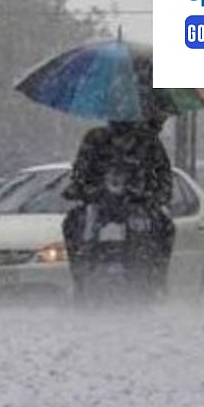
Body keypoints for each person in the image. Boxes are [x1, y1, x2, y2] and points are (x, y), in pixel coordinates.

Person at [61, 111, 175, 301]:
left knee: (166, 226)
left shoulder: (149, 143)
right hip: (98, 205)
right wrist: (80, 189)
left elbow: (164, 178)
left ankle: (157, 278)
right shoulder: (95, 139)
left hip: (139, 207)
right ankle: (80, 279)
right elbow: (79, 174)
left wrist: (154, 196)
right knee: (72, 223)